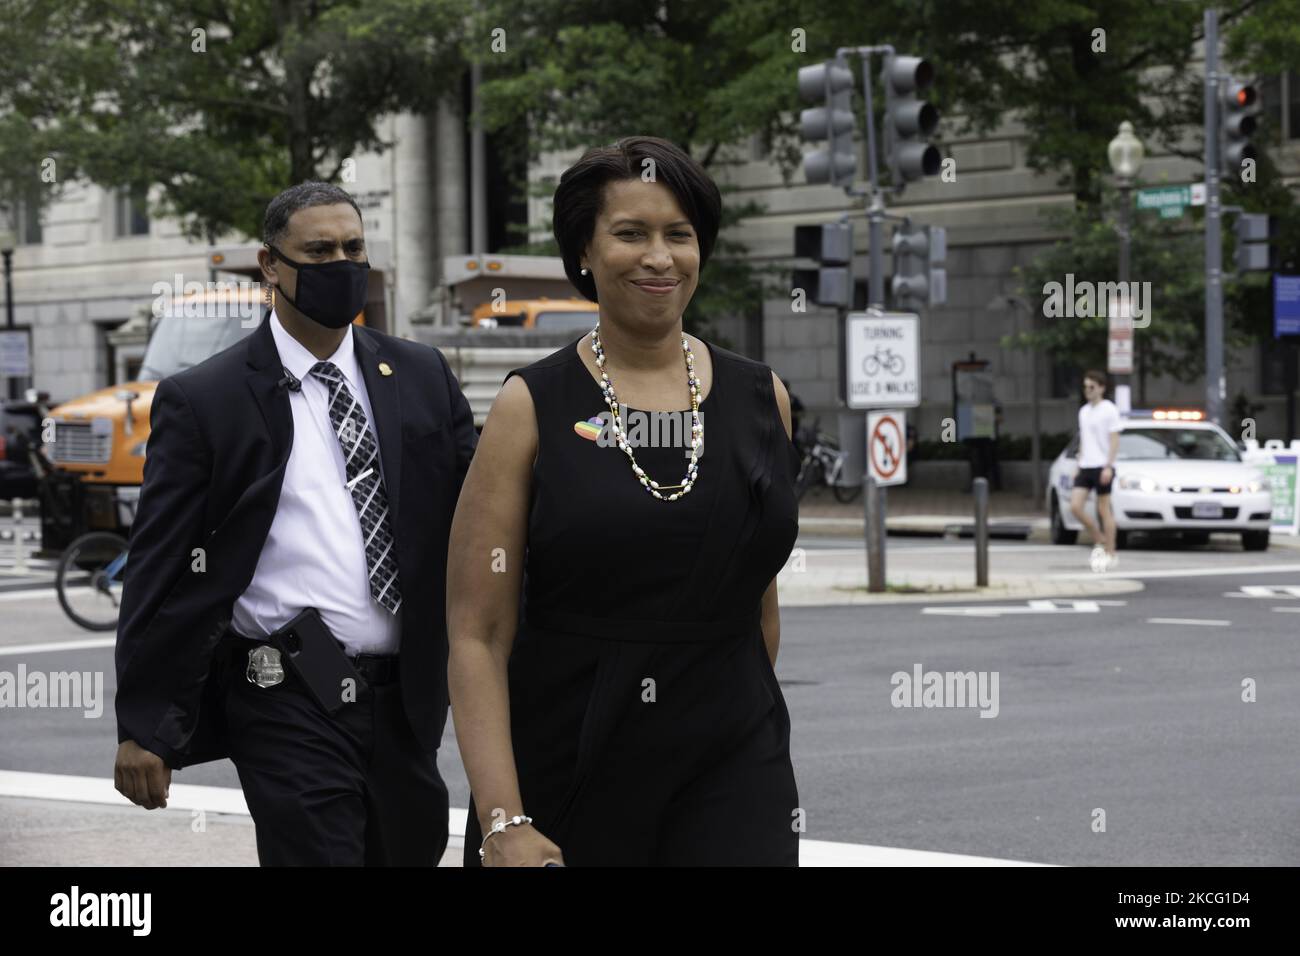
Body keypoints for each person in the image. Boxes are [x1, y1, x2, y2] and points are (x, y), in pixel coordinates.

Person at [448, 135, 801, 866]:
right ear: (584, 251)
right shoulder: (530, 407)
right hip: (574, 759)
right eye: (631, 234)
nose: (660, 257)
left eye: (679, 234)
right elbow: (477, 635)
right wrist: (502, 818)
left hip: (735, 766)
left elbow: (757, 602)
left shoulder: (761, 397)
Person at [113, 181, 477, 865]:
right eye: (318, 250)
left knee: (407, 850)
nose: (341, 263)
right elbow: (161, 566)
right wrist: (144, 726)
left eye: (353, 248)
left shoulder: (422, 375)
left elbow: (483, 515)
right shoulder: (206, 400)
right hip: (285, 693)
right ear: (270, 265)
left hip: (407, 698)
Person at [1070, 369, 1122, 571]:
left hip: (1102, 465)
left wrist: (1108, 465)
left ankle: (1111, 550)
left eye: (1091, 387)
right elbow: (1084, 439)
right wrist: (1078, 463)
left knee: (1103, 509)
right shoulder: (1084, 411)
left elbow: (1114, 439)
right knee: (1075, 506)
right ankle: (1098, 537)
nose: (1087, 391)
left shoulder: (1109, 409)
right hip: (1086, 465)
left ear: (1101, 388)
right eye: (1085, 387)